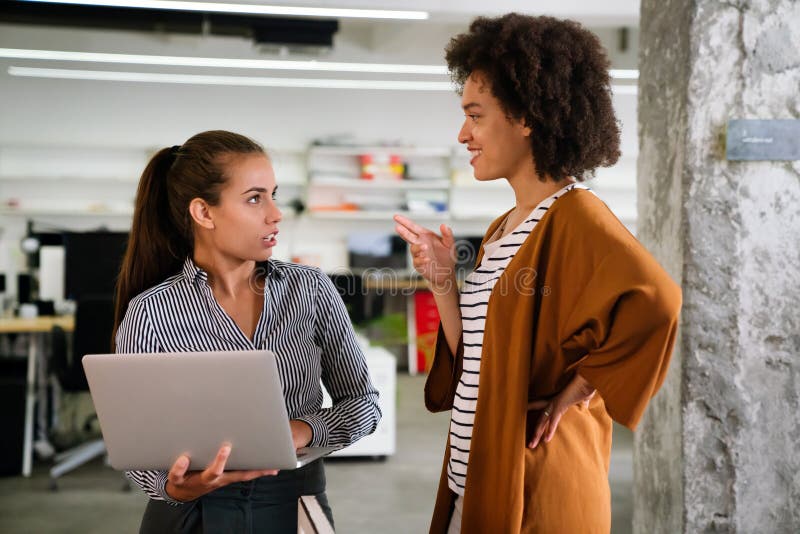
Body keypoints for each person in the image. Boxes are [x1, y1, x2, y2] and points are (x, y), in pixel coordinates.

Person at [394, 14, 682, 533]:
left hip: (536, 483)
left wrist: (580, 388)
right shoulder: (505, 226)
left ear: (525, 115)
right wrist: (442, 281)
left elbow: (658, 301)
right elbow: (477, 357)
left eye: (475, 116)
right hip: (474, 473)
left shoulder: (575, 215)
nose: (464, 134)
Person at [112, 130, 381, 533]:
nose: (275, 214)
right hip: (191, 515)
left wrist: (304, 430)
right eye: (255, 198)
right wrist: (174, 485)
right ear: (204, 213)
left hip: (295, 504)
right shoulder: (151, 312)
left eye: (273, 195)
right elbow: (137, 447)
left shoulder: (309, 289)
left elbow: (364, 405)